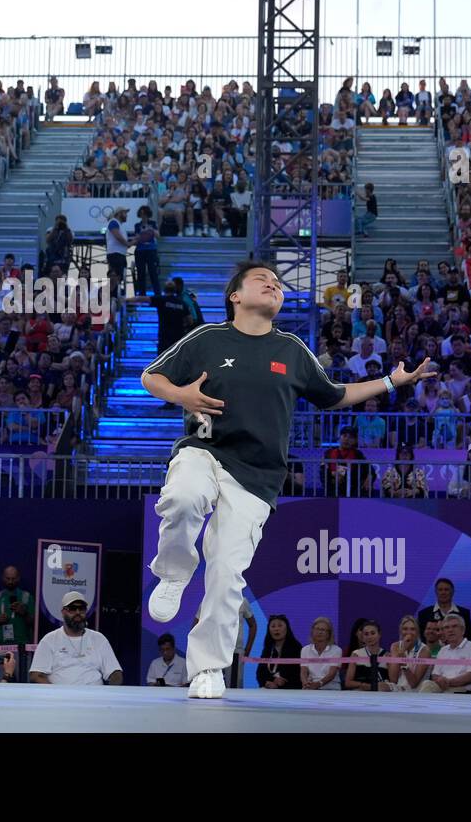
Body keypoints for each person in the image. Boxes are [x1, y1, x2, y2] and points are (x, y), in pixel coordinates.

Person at [142, 261, 435, 698]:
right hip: (204, 452)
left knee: (227, 571)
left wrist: (392, 381)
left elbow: (336, 396)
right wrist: (179, 394)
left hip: (258, 477)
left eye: (278, 284)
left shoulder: (293, 349)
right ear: (235, 296)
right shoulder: (206, 338)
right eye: (262, 280)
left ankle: (207, 669)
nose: (273, 285)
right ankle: (174, 572)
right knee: (183, 497)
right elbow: (151, 376)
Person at [29, 592, 122, 685]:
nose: (78, 612)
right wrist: (57, 693)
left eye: (81, 608)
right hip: (60, 696)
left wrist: (110, 694)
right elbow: (36, 675)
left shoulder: (99, 639)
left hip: (94, 696)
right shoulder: (49, 640)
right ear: (63, 612)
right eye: (72, 609)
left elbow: (115, 673)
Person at [0, 565, 33, 683]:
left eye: (13, 578)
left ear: (18, 578)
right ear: (3, 578)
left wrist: (24, 612)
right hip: (0, 646)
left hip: (22, 647)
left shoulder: (27, 597)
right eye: (8, 578)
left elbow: (34, 622)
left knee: (24, 686)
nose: (11, 581)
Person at [417, 578, 471, 642]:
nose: (443, 592)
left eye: (446, 590)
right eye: (440, 590)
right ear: (436, 592)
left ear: (452, 592)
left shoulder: (464, 613)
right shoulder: (424, 614)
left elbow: (469, 638)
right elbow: (421, 640)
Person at [254, 614, 302, 690]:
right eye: (273, 626)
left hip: (291, 689)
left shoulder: (296, 647)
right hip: (269, 688)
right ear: (269, 630)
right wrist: (268, 682)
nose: (276, 629)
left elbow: (298, 672)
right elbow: (260, 673)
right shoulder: (268, 648)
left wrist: (282, 681)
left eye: (280, 626)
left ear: (287, 628)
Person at [300, 617, 342, 690]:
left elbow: (331, 675)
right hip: (311, 687)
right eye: (317, 629)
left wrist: (318, 684)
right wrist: (305, 683)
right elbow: (303, 672)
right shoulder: (305, 649)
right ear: (312, 631)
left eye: (323, 630)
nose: (319, 632)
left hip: (331, 688)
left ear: (329, 634)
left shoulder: (337, 650)